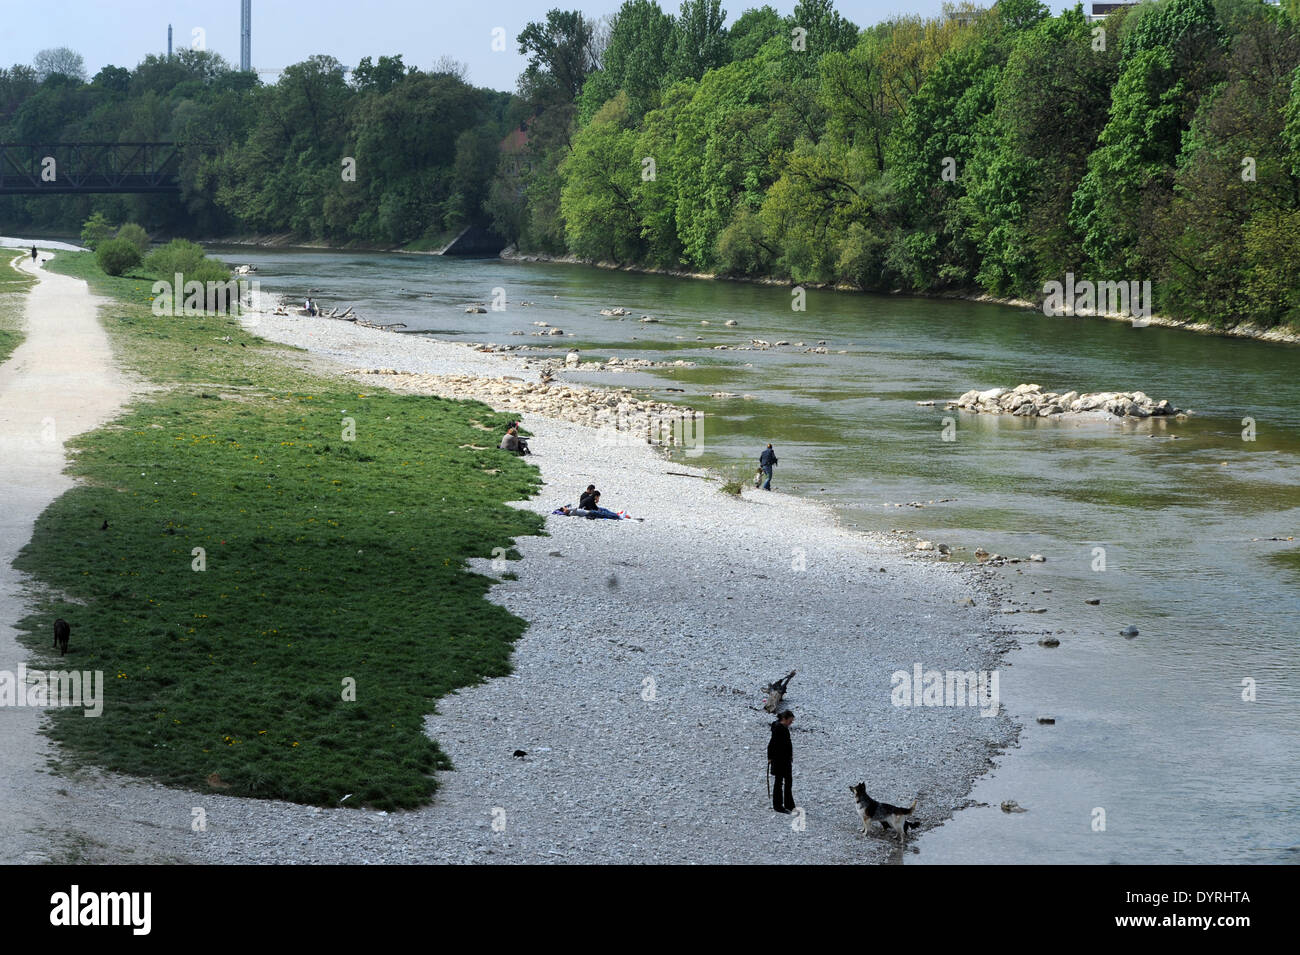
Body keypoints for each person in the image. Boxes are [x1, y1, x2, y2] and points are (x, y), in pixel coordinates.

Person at [767, 710, 796, 813]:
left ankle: (789, 805)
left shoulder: (782, 728)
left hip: (785, 759)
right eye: (790, 721)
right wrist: (770, 757)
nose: (791, 723)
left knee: (787, 782)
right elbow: (772, 744)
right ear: (784, 719)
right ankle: (778, 806)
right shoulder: (779, 729)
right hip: (779, 760)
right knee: (779, 782)